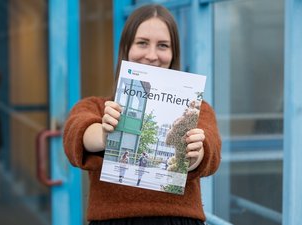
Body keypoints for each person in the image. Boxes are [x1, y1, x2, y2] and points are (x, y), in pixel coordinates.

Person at [63, 4, 221, 225]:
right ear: (126, 48)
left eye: (163, 46)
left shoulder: (196, 108)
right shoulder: (97, 107)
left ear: (173, 53)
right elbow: (75, 134)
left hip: (179, 221)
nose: (152, 55)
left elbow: (211, 150)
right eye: (142, 43)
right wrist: (105, 135)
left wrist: (196, 156)